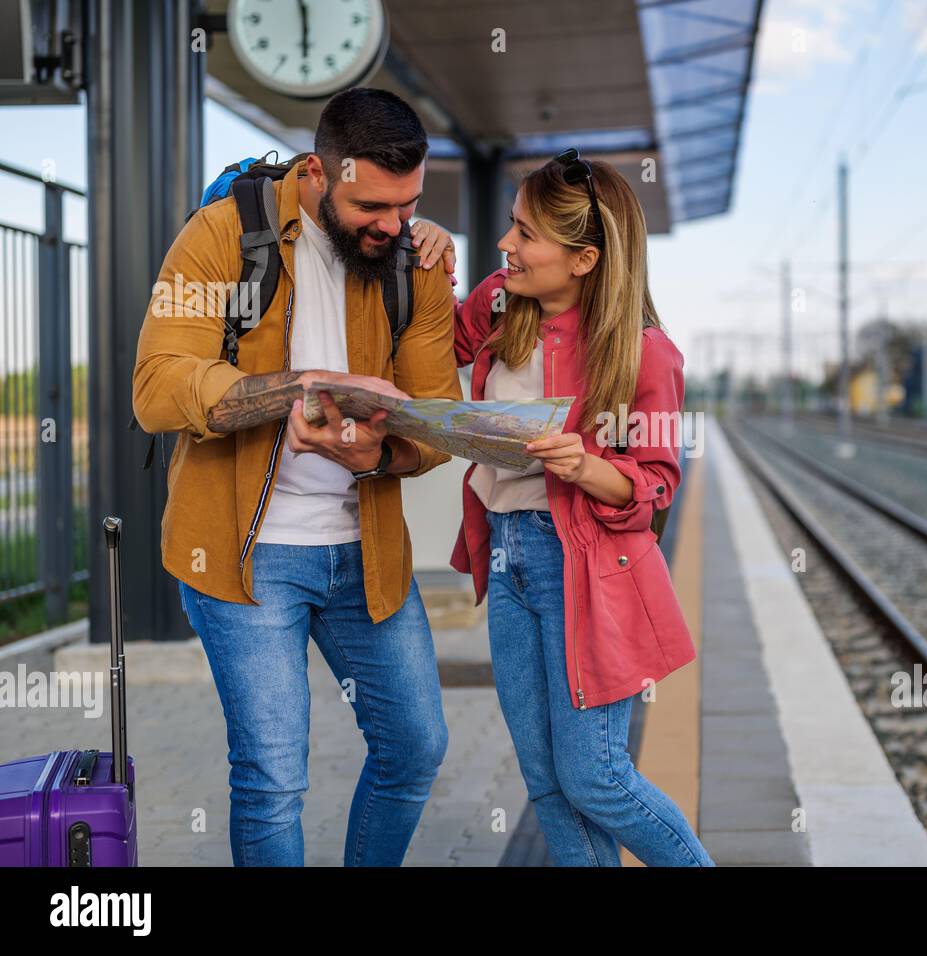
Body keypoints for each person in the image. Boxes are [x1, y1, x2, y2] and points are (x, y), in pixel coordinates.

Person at [132, 87, 462, 866]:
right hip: (245, 556)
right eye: (372, 206)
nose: (392, 225)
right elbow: (157, 387)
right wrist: (299, 386)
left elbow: (436, 414)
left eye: (408, 204)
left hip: (365, 552)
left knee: (415, 749)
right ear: (318, 171)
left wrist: (379, 455)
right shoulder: (222, 235)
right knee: (273, 778)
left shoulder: (412, 264)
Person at [409, 149, 715, 866]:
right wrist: (428, 252)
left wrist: (587, 464)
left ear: (583, 258)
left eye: (525, 234)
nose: (506, 245)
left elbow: (655, 486)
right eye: (511, 227)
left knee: (595, 776)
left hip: (584, 571)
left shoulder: (647, 354)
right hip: (509, 557)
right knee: (546, 782)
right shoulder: (496, 302)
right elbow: (429, 340)